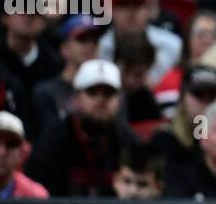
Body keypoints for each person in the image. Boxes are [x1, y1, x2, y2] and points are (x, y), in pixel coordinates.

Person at [28, 58, 136, 196]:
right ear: (75, 99)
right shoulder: (53, 140)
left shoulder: (128, 143)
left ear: (119, 102)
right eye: (92, 93)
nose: (101, 100)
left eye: (109, 94)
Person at [33, 14, 102, 133]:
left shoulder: (107, 90)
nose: (90, 45)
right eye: (82, 39)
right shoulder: (45, 93)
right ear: (64, 48)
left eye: (94, 40)